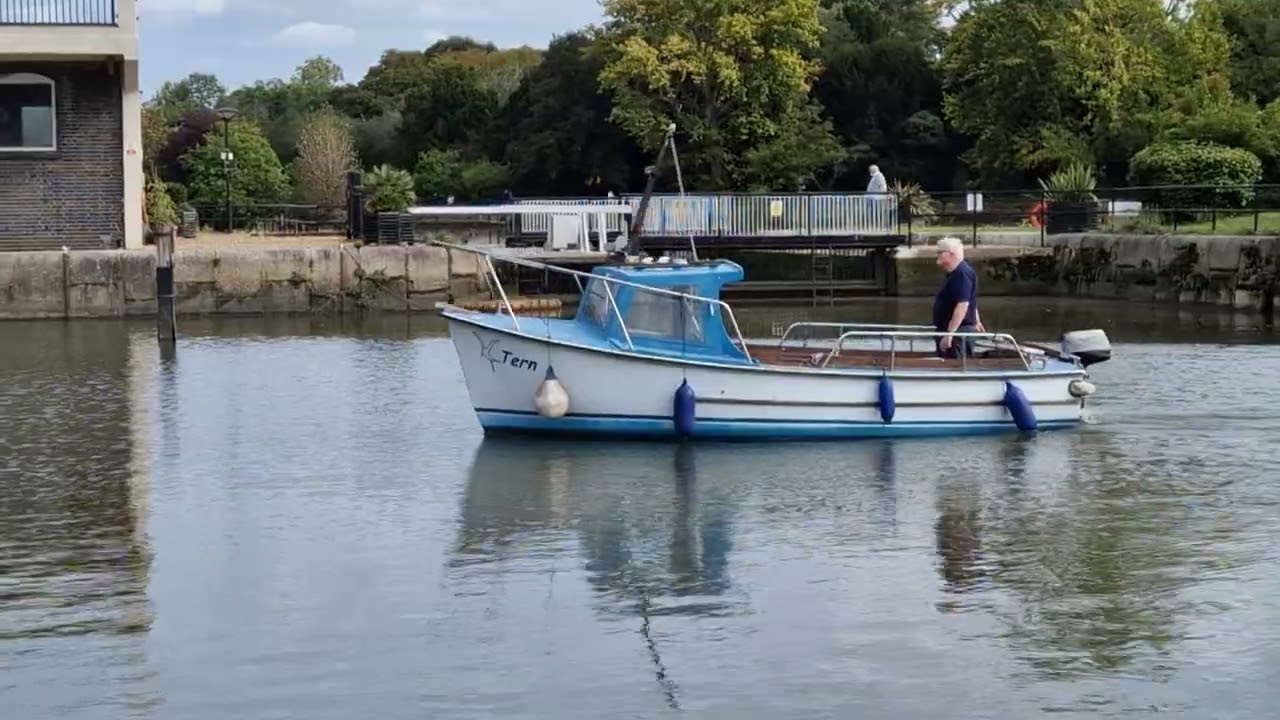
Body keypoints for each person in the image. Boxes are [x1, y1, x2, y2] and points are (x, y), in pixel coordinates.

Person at [932, 236, 984, 359]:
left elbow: (963, 304)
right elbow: (970, 299)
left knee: (955, 367)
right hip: (953, 331)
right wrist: (976, 319)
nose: (937, 255)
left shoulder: (962, 274)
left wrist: (950, 334)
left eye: (940, 252)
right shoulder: (954, 274)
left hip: (958, 334)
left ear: (951, 254)